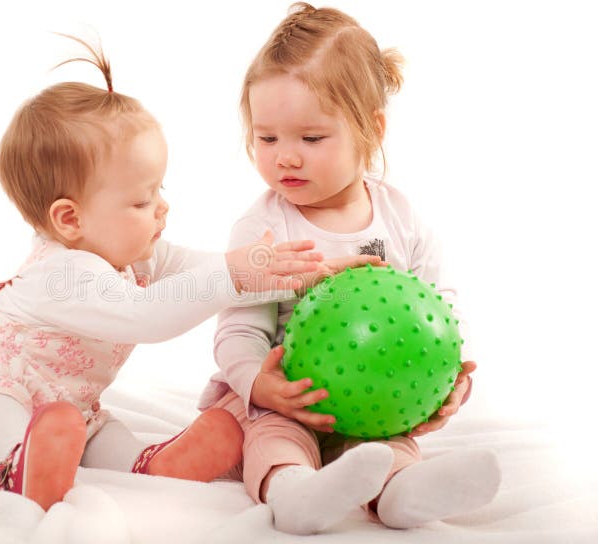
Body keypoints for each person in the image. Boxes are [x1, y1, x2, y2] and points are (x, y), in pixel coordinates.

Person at [0, 34, 371, 512]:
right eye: (141, 199)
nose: (162, 208)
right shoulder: (63, 275)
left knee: (94, 430)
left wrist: (294, 272)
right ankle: (13, 465)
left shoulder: (129, 252)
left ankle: (147, 466)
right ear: (71, 218)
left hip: (61, 409)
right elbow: (148, 315)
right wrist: (238, 275)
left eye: (160, 190)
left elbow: (201, 267)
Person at [198, 3, 501, 534]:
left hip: (379, 402)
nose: (284, 157)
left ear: (372, 129)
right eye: (266, 138)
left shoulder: (401, 218)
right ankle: (294, 492)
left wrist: (455, 376)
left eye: (310, 139)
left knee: (389, 447)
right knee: (270, 440)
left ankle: (402, 494)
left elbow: (441, 308)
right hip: (288, 399)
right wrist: (259, 385)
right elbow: (239, 326)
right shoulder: (262, 228)